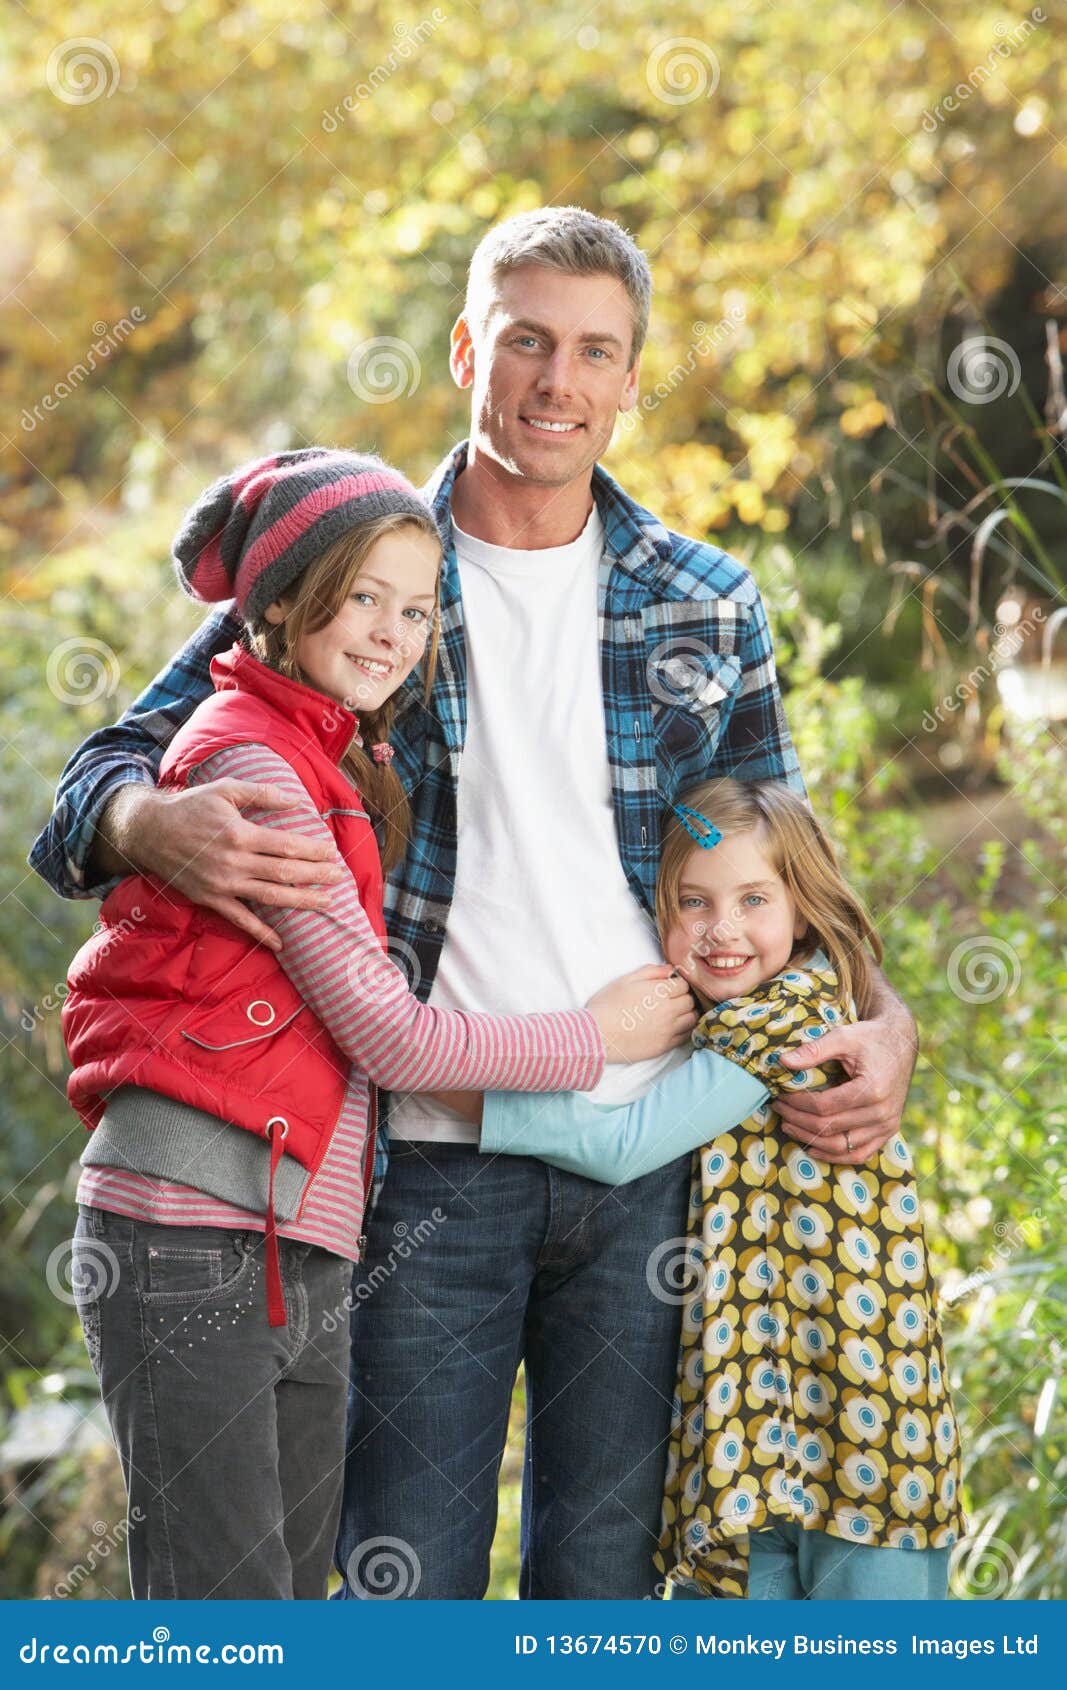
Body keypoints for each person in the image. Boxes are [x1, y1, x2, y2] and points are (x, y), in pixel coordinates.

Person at [31, 206, 919, 1600]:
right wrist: (154, 824)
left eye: (592, 352)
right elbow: (100, 778)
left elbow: (784, 868)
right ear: (465, 349)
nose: (555, 382)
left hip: (645, 1156)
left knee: (598, 1582)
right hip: (422, 1162)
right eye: (524, 342)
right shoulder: (359, 564)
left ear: (631, 378)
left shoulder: (705, 601)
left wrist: (887, 1017)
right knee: (401, 1582)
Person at [58, 447, 694, 1601]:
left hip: (292, 1234)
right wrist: (594, 1035)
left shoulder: (329, 751)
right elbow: (391, 1037)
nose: (394, 633)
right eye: (365, 600)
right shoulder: (250, 760)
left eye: (416, 610)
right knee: (227, 1619)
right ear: (287, 602)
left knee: (298, 1610)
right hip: (191, 1222)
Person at [474, 778, 965, 1601]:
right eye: (692, 902)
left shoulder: (782, 1021)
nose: (721, 930)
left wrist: (459, 1095)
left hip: (851, 1411)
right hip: (778, 1409)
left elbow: (621, 1144)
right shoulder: (739, 1016)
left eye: (752, 900)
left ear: (802, 909)